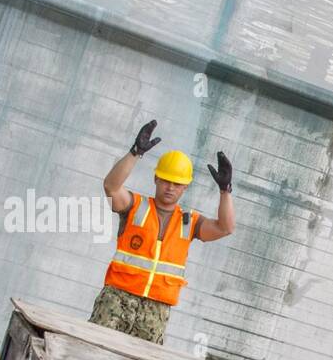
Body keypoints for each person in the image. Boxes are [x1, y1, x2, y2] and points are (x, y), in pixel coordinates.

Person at [89, 120, 235, 344]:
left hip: (155, 312)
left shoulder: (189, 222)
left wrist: (225, 191)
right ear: (156, 179)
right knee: (94, 350)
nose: (170, 188)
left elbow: (225, 228)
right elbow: (111, 187)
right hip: (117, 300)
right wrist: (135, 153)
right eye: (166, 181)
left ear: (185, 187)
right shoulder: (134, 206)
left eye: (177, 184)